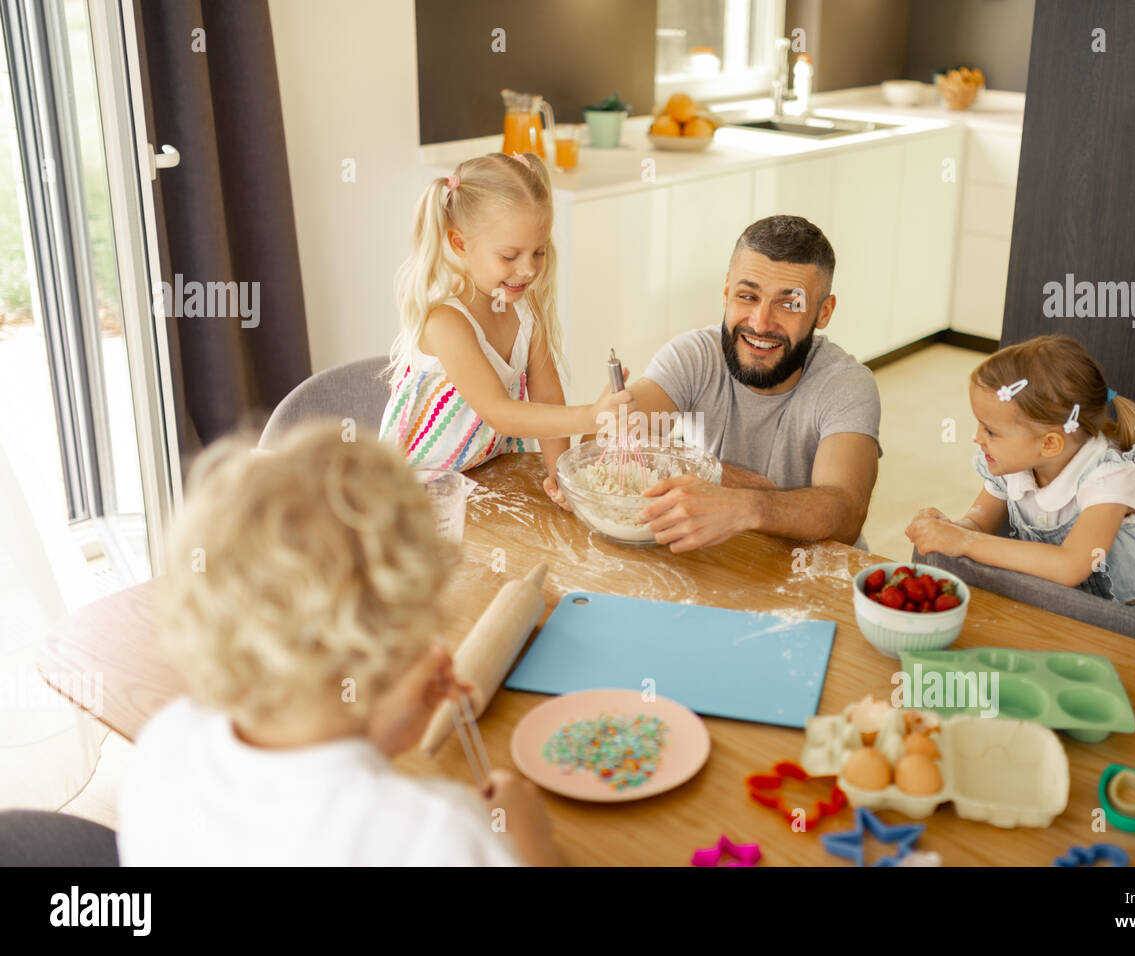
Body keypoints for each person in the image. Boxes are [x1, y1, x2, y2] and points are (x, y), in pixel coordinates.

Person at [117, 423, 562, 865]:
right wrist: (528, 841)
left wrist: (378, 737)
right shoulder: (436, 836)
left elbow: (313, 790)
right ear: (397, 632)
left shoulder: (164, 743)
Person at [380, 151, 633, 504]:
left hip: (485, 479)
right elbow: (499, 412)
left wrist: (559, 475)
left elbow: (547, 397)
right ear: (460, 244)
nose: (528, 270)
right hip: (413, 496)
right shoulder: (446, 323)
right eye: (510, 256)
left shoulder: (527, 312)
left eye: (539, 252)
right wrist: (590, 416)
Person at [625, 214, 882, 552]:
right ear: (727, 292)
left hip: (808, 576)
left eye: (789, 304)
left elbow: (846, 513)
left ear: (824, 311)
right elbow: (608, 438)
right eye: (747, 297)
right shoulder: (692, 356)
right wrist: (719, 475)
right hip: (712, 560)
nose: (761, 323)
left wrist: (747, 507)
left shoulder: (847, 384)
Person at [906, 334, 1135, 619]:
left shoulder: (1110, 478)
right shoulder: (1011, 464)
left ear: (1049, 444)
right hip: (1067, 607)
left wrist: (964, 541)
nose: (976, 437)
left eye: (990, 431)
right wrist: (954, 529)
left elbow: (1070, 565)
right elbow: (978, 522)